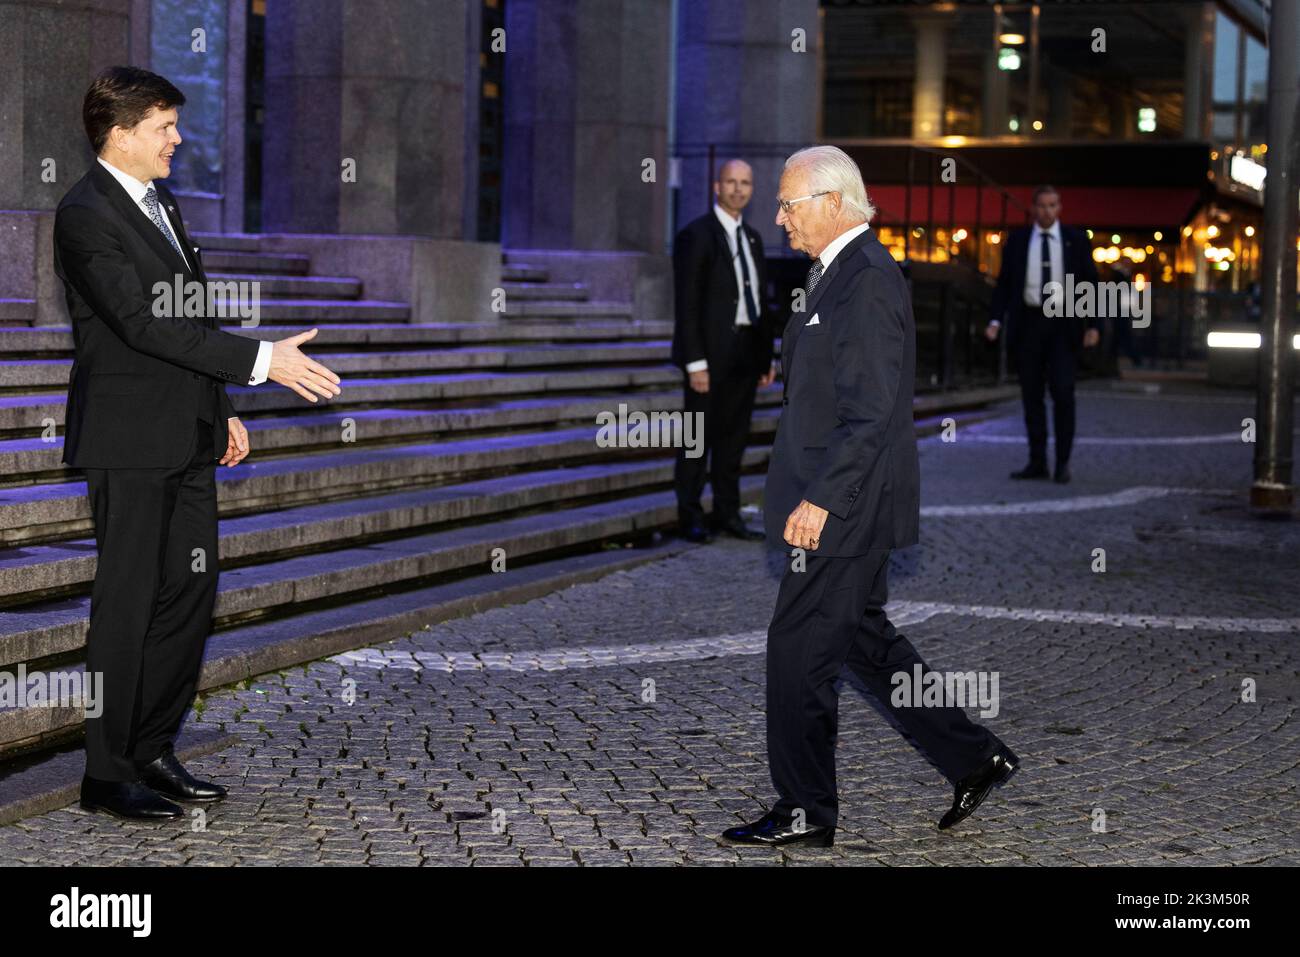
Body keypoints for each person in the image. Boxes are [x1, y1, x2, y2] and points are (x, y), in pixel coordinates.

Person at [55, 66, 342, 820]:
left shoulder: (162, 201)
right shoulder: (84, 213)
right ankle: (105, 771)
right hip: (126, 438)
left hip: (185, 432)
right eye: (164, 127)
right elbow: (142, 325)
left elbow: (190, 319)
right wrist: (262, 362)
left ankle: (152, 745)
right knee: (126, 603)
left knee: (190, 591)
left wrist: (221, 412)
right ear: (119, 134)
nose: (177, 139)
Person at [723, 146, 1018, 847]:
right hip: (845, 498)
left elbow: (873, 410)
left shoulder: (870, 278)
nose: (780, 216)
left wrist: (821, 499)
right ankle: (977, 757)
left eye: (790, 203)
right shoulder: (835, 273)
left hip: (845, 506)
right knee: (863, 641)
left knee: (797, 653)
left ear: (834, 201)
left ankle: (805, 809)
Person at [670, 159, 777, 543]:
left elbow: (760, 302)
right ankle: (690, 516)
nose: (738, 189)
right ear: (717, 186)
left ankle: (728, 514)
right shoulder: (695, 236)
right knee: (697, 439)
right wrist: (694, 361)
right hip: (708, 358)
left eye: (745, 182)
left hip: (745, 357)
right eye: (730, 181)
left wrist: (767, 357)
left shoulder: (753, 238)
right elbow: (687, 304)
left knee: (733, 441)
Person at [985, 185, 1100, 484]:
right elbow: (1005, 283)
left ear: (1059, 208)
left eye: (1053, 205)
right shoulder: (1018, 241)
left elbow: (1090, 282)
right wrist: (995, 320)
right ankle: (1037, 461)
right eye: (1042, 206)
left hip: (1064, 324)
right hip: (1029, 324)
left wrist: (1094, 326)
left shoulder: (1076, 240)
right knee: (1031, 395)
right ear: (1034, 208)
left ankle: (1062, 462)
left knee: (1063, 392)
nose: (1047, 211)